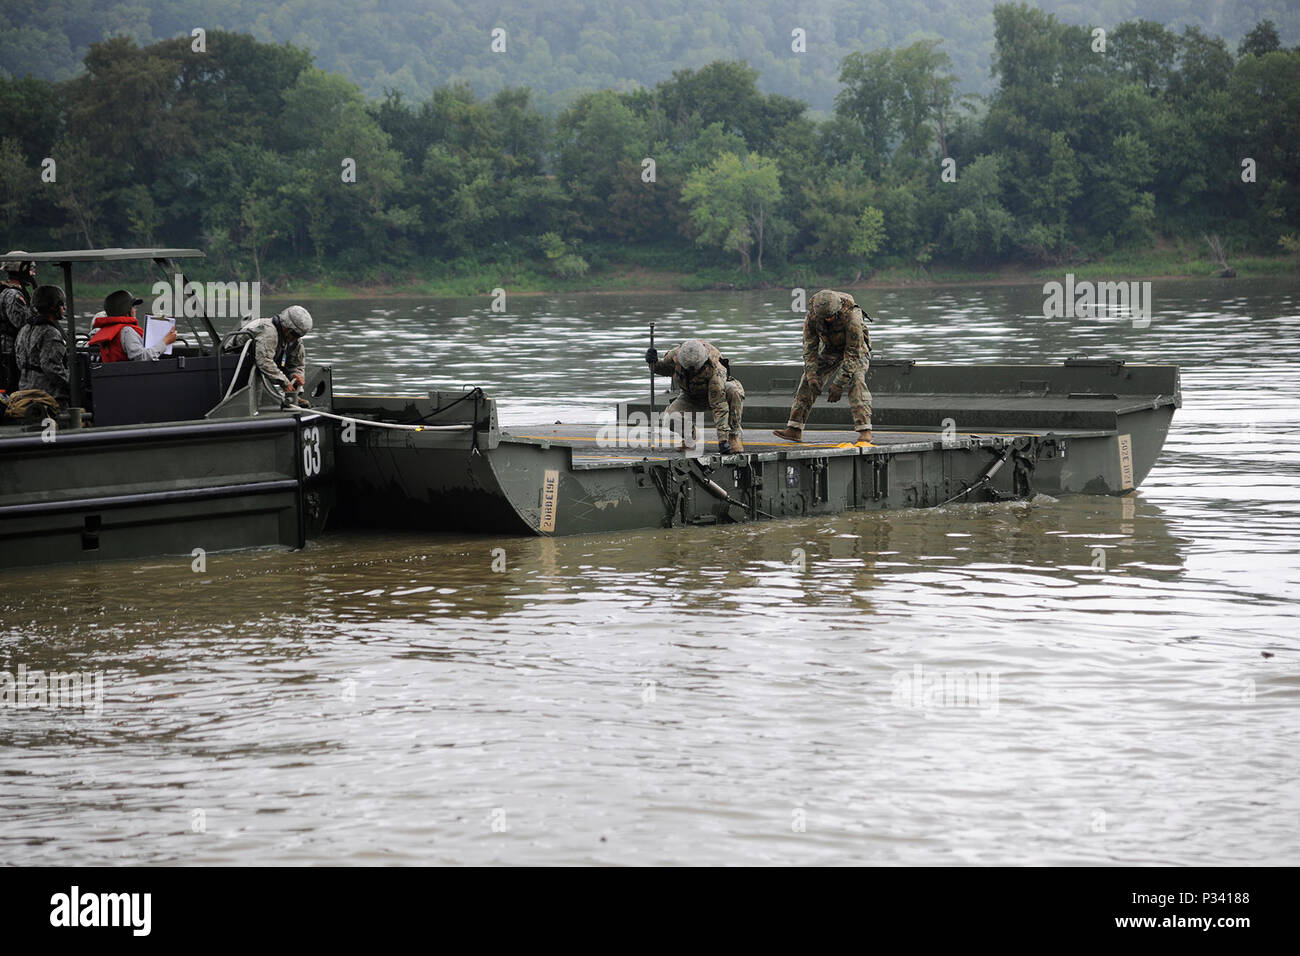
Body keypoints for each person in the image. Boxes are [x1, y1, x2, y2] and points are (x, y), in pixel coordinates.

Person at [773, 289, 873, 444]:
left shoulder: (852, 318)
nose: (828, 320)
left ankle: (865, 430)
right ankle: (795, 428)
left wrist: (838, 384)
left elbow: (852, 354)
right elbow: (809, 348)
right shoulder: (813, 317)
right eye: (825, 317)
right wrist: (812, 376)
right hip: (831, 348)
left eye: (831, 316)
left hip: (856, 350)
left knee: (857, 381)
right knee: (806, 380)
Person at [645, 338, 745, 453]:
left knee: (734, 390)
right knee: (669, 418)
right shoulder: (675, 356)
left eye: (695, 369)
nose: (692, 371)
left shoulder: (715, 369)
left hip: (717, 393)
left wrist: (722, 440)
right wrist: (652, 362)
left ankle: (733, 436)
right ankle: (690, 436)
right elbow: (663, 369)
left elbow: (719, 406)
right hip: (690, 395)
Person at [231, 306, 313, 407]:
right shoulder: (269, 332)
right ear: (286, 327)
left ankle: (293, 398)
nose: (295, 339)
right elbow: (264, 362)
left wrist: (296, 376)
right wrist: (285, 383)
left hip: (257, 364)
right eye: (294, 334)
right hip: (236, 365)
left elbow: (297, 364)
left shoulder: (295, 341)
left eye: (299, 336)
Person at [15, 284, 70, 405]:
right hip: (49, 396)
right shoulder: (50, 333)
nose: (64, 308)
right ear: (53, 307)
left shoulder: (24, 329)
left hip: (24, 392)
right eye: (62, 304)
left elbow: (19, 362)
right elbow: (51, 368)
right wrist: (73, 384)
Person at [86, 289, 177, 362]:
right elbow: (140, 358)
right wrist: (165, 342)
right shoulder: (127, 331)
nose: (135, 310)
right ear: (126, 310)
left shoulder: (103, 330)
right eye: (133, 307)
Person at [0, 259, 36, 393]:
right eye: (31, 270)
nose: (33, 274)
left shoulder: (8, 291)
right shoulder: (14, 295)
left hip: (10, 348)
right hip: (9, 350)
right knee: (12, 387)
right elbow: (21, 323)